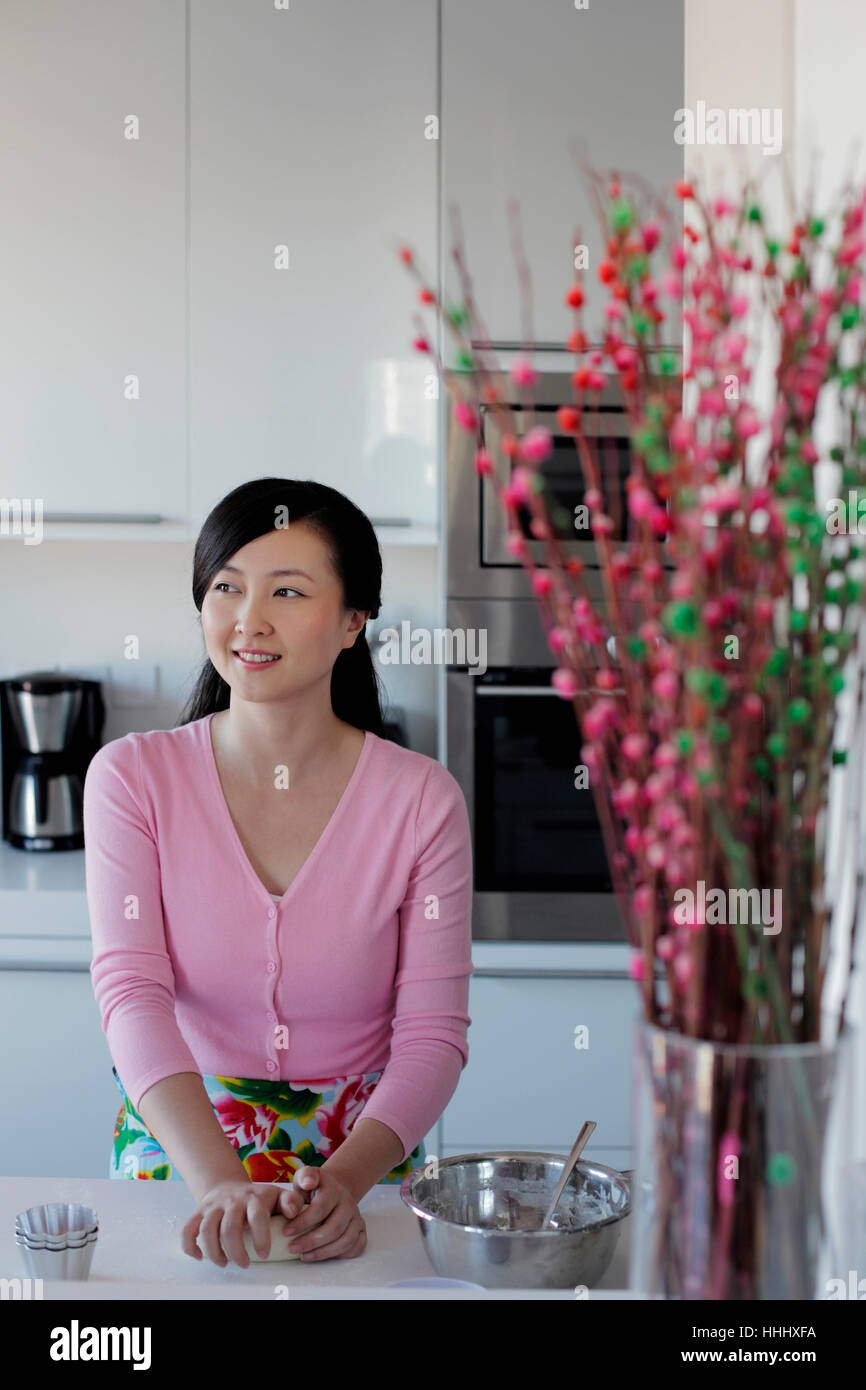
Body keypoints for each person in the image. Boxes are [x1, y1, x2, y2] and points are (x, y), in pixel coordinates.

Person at [84, 477, 474, 1268]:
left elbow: (432, 1032)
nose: (247, 620)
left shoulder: (421, 799)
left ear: (353, 621)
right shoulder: (131, 779)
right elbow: (131, 993)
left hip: (369, 1160)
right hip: (183, 1145)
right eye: (225, 587)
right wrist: (219, 1181)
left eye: (287, 591)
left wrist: (349, 1179)